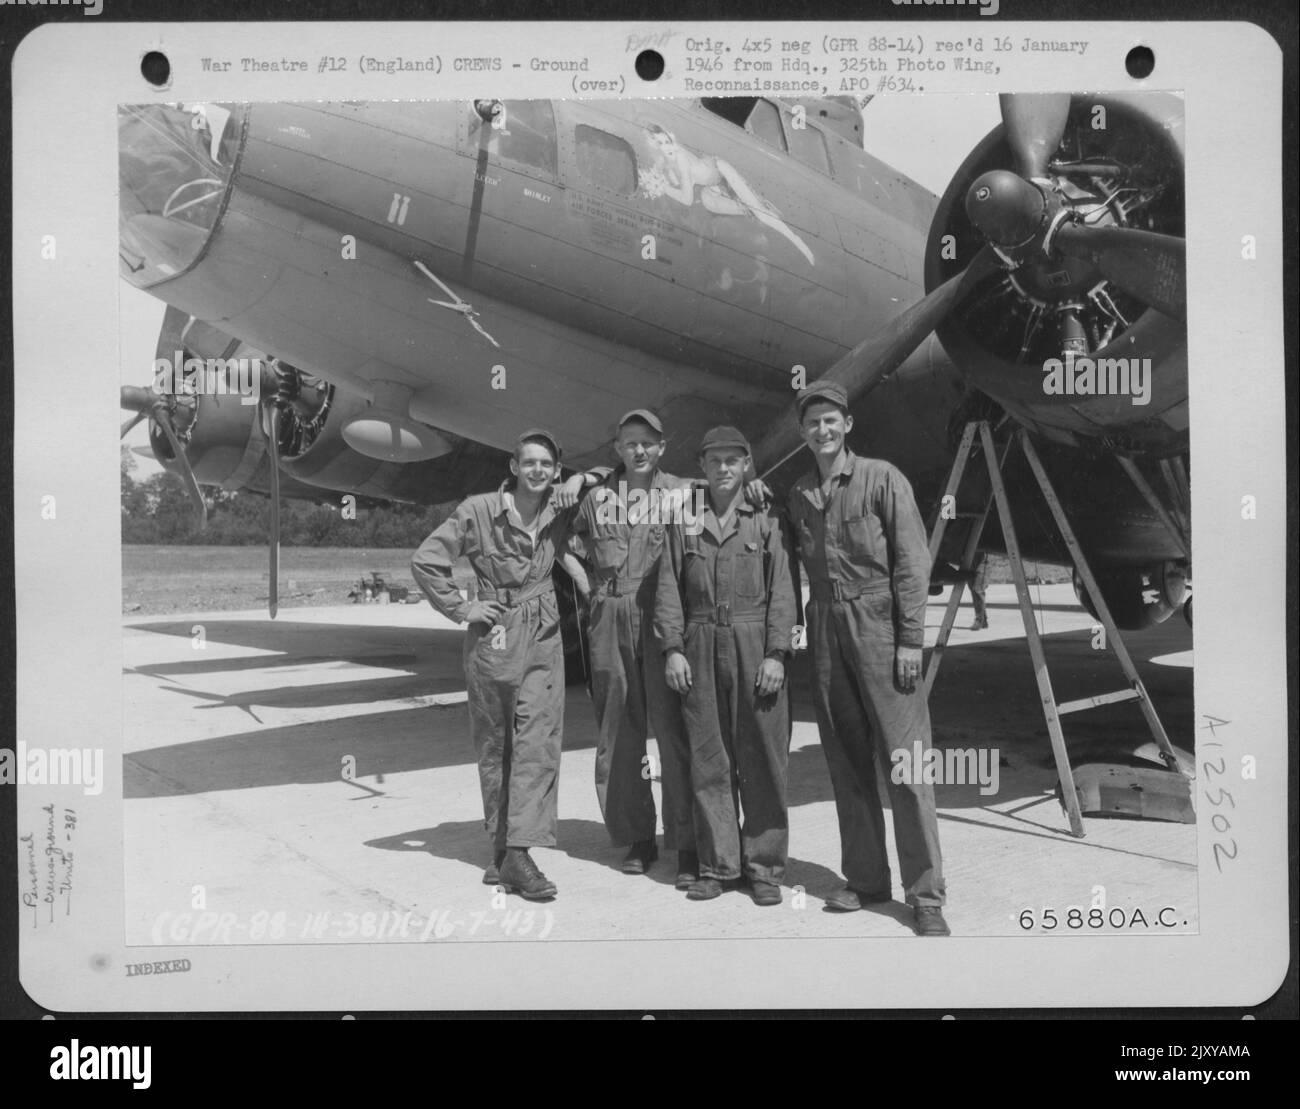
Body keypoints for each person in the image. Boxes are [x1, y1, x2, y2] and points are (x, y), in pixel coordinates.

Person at [785, 381, 950, 936]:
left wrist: (910, 639)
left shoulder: (882, 478)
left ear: (847, 425)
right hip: (827, 626)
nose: (822, 431)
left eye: (831, 421)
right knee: (846, 762)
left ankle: (925, 897)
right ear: (803, 432)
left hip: (880, 626)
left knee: (906, 764)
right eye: (813, 424)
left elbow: (912, 561)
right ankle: (866, 880)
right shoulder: (799, 492)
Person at [410, 429, 587, 901]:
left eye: (546, 465)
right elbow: (427, 560)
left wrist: (586, 476)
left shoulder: (558, 505)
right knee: (497, 744)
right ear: (513, 467)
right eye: (529, 463)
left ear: (556, 470)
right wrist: (462, 608)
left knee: (538, 741)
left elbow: (614, 479)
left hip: (545, 631)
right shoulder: (478, 510)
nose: (537, 472)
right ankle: (502, 851)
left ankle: (519, 852)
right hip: (496, 633)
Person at [655, 426, 796, 906]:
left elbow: (784, 592)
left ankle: (765, 868)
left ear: (747, 464)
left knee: (762, 758)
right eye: (714, 461)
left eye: (732, 460)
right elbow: (669, 588)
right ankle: (719, 867)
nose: (723, 469)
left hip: (754, 640)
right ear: (702, 466)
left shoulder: (767, 519)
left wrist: (778, 653)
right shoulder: (685, 520)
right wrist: (672, 648)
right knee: (709, 760)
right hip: (698, 641)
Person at [559, 410, 699, 887]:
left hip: (662, 615)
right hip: (609, 612)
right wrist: (582, 578)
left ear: (663, 447)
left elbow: (729, 500)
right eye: (629, 443)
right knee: (620, 732)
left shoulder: (682, 493)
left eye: (648, 443)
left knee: (674, 729)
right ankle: (638, 837)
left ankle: (687, 843)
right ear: (616, 449)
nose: (639, 451)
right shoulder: (596, 497)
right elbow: (559, 535)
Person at [969, 551, 990, 630]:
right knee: (974, 588)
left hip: (977, 555)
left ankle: (980, 619)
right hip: (970, 553)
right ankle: (982, 619)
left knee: (977, 589)